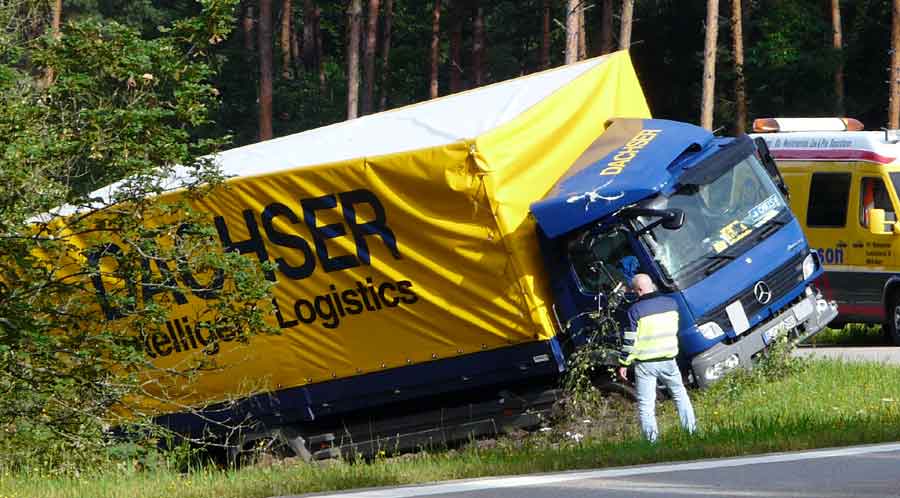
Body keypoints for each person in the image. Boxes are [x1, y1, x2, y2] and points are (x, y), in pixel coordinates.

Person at [617, 273, 696, 443]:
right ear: (651, 285)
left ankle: (652, 443)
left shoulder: (634, 310)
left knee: (646, 405)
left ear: (638, 290)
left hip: (646, 364)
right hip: (668, 359)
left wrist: (624, 363)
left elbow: (630, 340)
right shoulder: (671, 303)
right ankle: (691, 432)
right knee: (680, 395)